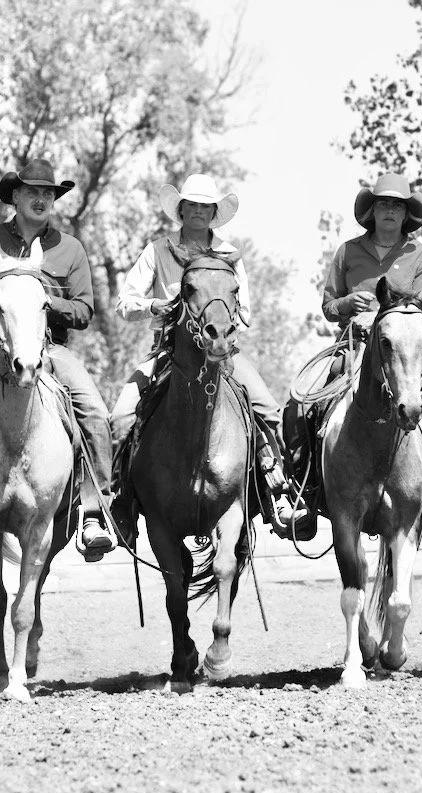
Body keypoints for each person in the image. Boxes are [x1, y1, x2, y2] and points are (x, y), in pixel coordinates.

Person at [0, 159, 116, 560]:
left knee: (95, 414)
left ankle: (93, 513)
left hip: (49, 347)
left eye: (48, 193)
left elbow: (84, 310)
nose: (41, 199)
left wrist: (44, 303)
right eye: (32, 191)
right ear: (14, 196)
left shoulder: (70, 249)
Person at [110, 173, 305, 534]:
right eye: (192, 204)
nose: (198, 211)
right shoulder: (157, 251)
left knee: (266, 408)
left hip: (222, 353)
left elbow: (244, 311)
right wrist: (156, 305)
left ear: (214, 212)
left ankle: (277, 491)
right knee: (121, 416)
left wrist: (222, 321)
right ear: (180, 209)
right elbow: (125, 303)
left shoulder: (230, 255)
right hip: (168, 350)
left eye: (205, 205)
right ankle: (122, 502)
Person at [306, 172, 422, 535]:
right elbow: (328, 305)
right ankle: (305, 495)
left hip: (404, 355)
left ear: (406, 213)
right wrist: (348, 303)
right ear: (373, 211)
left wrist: (385, 315)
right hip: (352, 348)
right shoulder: (347, 251)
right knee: (299, 404)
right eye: (383, 204)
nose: (390, 211)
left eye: (397, 205)